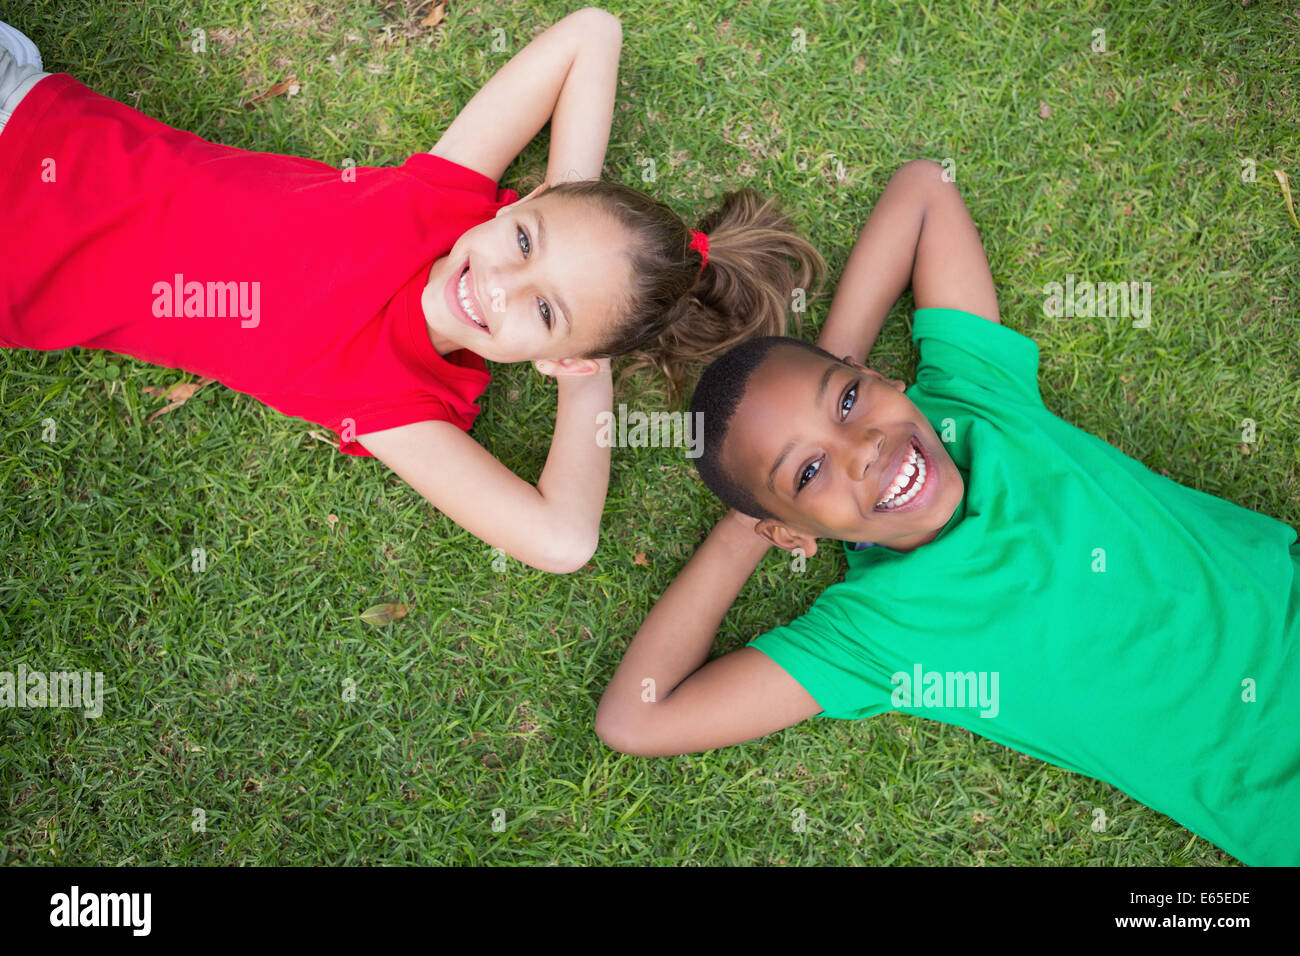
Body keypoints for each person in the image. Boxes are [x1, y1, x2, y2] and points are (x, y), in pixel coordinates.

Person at [595, 158, 1300, 866]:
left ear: (878, 376)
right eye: (808, 472)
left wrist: (835, 368)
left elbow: (924, 187)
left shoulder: (972, 402)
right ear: (791, 531)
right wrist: (751, 529)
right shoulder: (872, 634)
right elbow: (636, 717)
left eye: (847, 402)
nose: (864, 449)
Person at [0, 10, 823, 573]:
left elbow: (564, 539)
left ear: (557, 358)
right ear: (520, 203)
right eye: (526, 242)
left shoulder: (400, 400)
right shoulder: (446, 205)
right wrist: (570, 210)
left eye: (543, 312)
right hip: (24, 111)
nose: (498, 282)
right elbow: (592, 32)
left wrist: (587, 365)